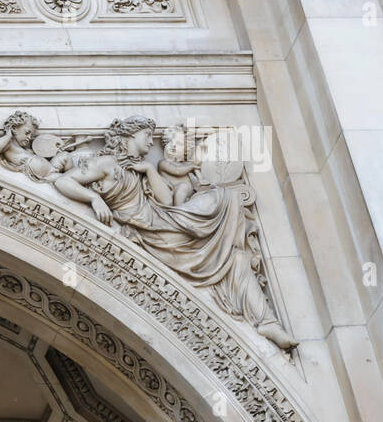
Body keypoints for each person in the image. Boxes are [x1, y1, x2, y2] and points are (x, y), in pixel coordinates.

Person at [51, 116, 297, 350]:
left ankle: (266, 323)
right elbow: (63, 182)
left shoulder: (142, 167)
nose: (151, 141)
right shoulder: (107, 164)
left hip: (164, 219)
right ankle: (264, 321)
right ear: (129, 135)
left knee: (234, 244)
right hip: (150, 231)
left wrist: (148, 170)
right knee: (225, 211)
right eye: (146, 135)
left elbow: (166, 200)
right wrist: (94, 198)